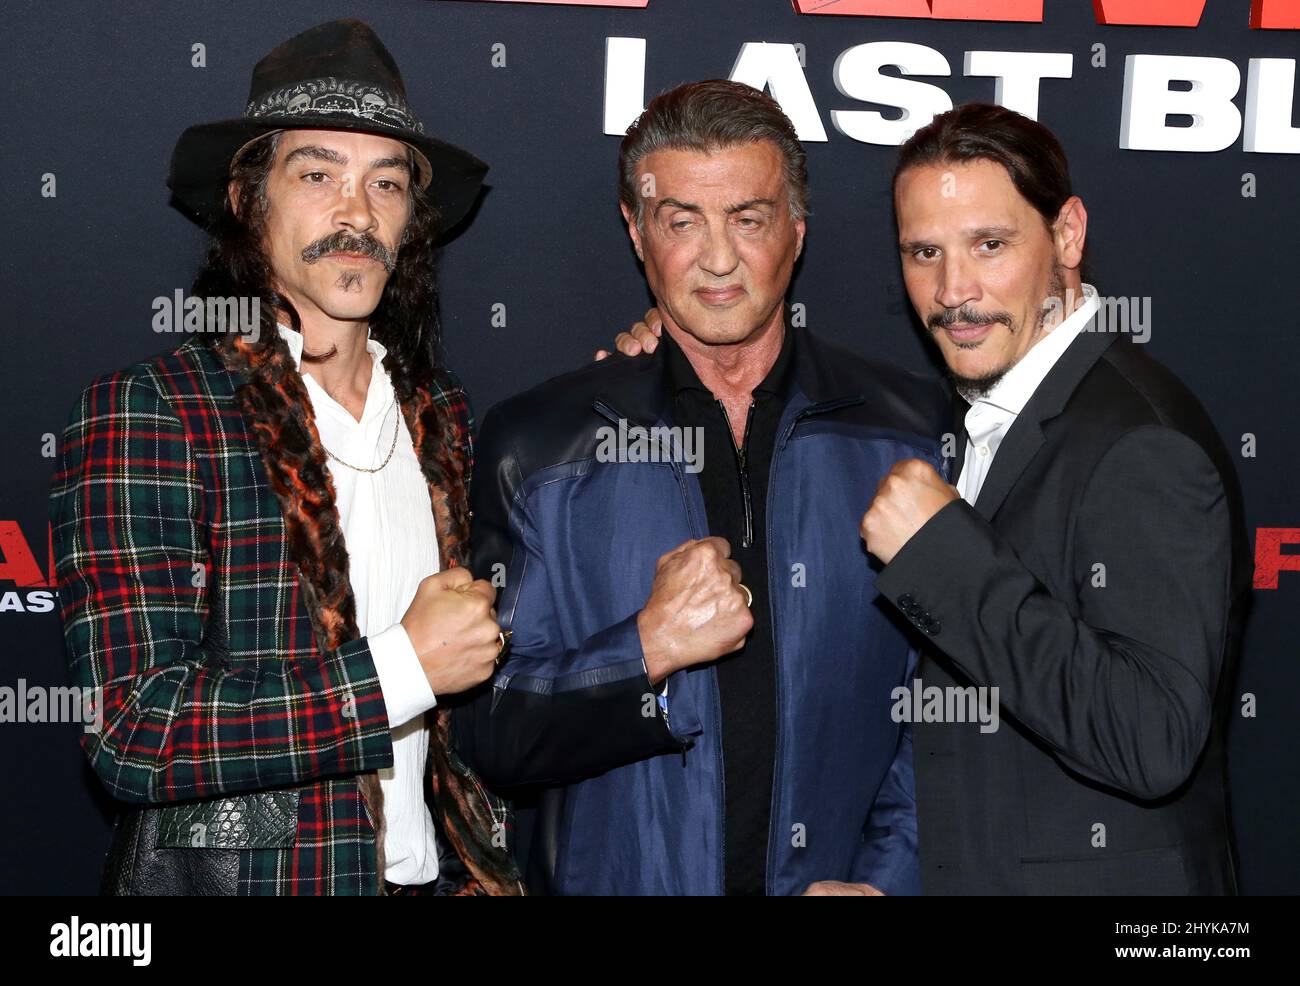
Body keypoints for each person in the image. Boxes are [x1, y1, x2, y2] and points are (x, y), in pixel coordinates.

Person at [619, 102, 1249, 895]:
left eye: (989, 245)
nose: (955, 291)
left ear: (1067, 235)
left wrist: (941, 557)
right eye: (924, 252)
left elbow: (1150, 739)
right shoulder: (983, 410)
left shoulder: (1136, 441)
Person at [50, 18, 522, 896]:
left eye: (386, 183)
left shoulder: (437, 411)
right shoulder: (156, 410)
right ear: (246, 199)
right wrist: (403, 668)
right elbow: (132, 730)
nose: (356, 213)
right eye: (317, 175)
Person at [453, 80, 947, 895]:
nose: (717, 259)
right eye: (682, 221)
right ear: (636, 230)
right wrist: (644, 648)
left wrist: (888, 879)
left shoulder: (909, 433)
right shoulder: (541, 441)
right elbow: (493, 735)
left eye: (747, 219)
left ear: (796, 228)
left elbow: (949, 711)